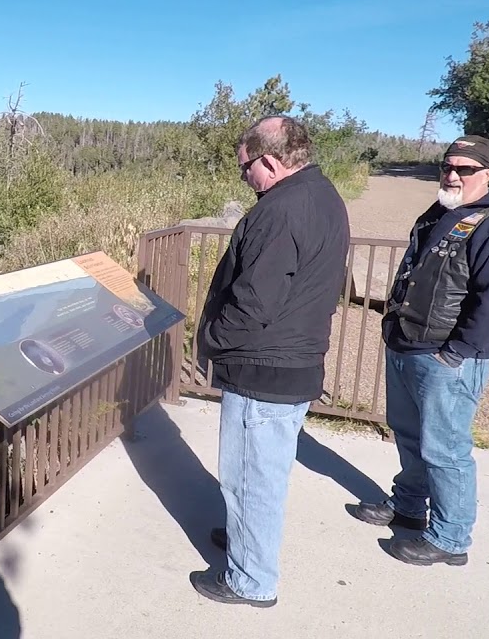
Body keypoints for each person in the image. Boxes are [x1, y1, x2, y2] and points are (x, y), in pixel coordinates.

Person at [352, 134, 489, 567]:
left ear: (488, 174)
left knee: (446, 449)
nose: (453, 175)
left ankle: (451, 538)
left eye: (465, 169)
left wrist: (458, 350)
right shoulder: (443, 211)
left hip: (448, 357)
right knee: (411, 436)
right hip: (409, 344)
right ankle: (410, 507)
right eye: (448, 166)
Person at [190, 115, 350, 608]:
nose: (245, 179)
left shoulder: (280, 211)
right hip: (292, 363)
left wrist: (210, 341)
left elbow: (254, 303)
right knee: (263, 474)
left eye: (246, 170)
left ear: (270, 162)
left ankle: (250, 580)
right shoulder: (322, 195)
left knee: (249, 480)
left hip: (265, 371)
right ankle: (247, 543)